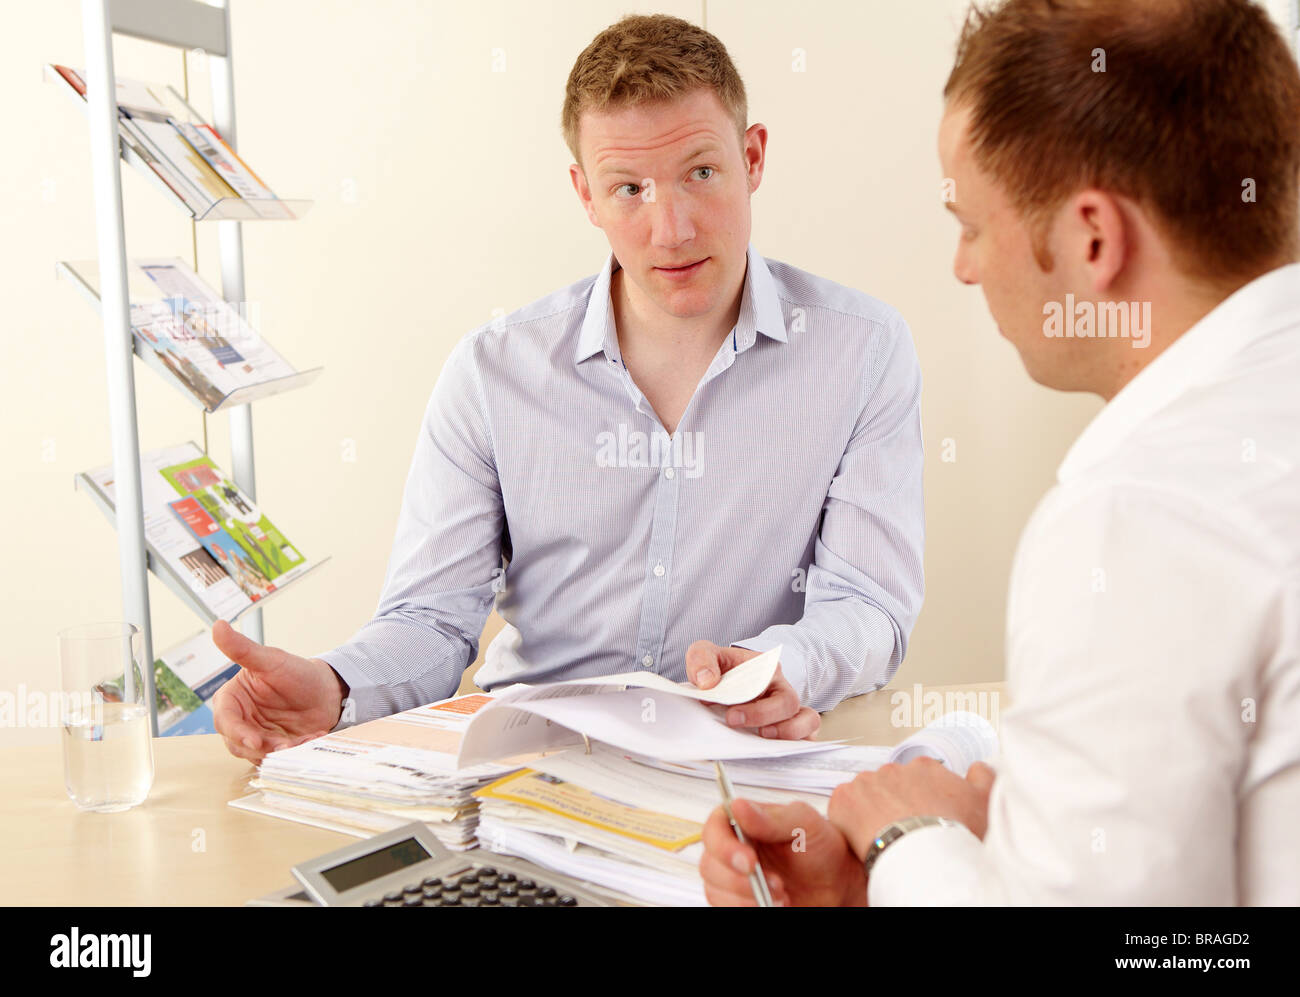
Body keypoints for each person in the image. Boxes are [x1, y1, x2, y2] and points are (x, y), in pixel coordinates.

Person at [701, 0, 1300, 906]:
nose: (964, 267)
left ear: (1092, 239)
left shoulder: (1140, 517)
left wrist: (907, 839)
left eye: (972, 225)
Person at [211, 14, 926, 764]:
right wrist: (337, 683)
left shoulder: (863, 351)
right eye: (630, 189)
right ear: (586, 195)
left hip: (737, 759)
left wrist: (785, 665)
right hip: (531, 766)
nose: (671, 227)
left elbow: (867, 605)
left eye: (701, 173)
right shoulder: (492, 373)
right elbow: (433, 620)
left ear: (752, 158)